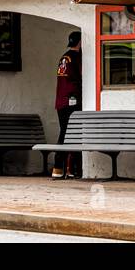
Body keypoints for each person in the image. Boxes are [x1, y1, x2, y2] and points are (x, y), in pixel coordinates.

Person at [51, 31, 83, 180]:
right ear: (80, 42)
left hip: (60, 101)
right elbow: (79, 77)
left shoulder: (64, 57)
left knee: (64, 132)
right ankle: (68, 168)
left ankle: (61, 168)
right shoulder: (77, 58)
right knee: (72, 134)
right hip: (73, 100)